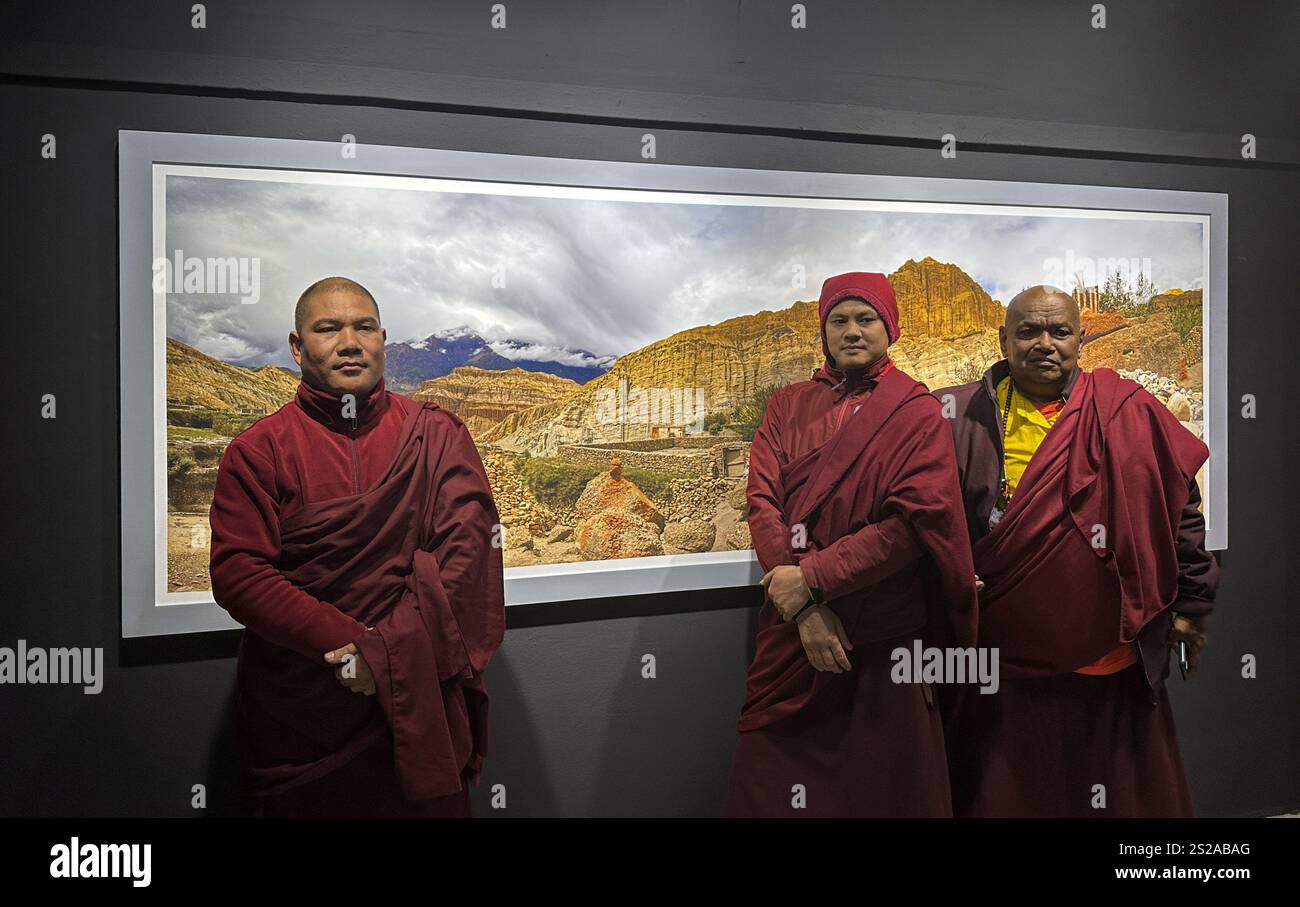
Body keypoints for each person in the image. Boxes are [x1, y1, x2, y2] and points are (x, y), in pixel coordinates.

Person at [209, 276, 505, 817]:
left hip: (416, 703)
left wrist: (386, 655)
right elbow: (240, 574)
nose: (350, 341)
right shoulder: (258, 450)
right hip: (304, 712)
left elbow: (468, 562)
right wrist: (359, 647)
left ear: (382, 338)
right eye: (328, 328)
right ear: (297, 347)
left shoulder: (436, 435)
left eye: (364, 326)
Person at [933, 284, 1219, 817]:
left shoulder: (1124, 408)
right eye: (1028, 331)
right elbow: (924, 515)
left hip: (1110, 650)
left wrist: (1194, 605)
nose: (1045, 343)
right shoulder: (959, 417)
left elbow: (1181, 506)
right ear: (1003, 339)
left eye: (1059, 331)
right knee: (1017, 788)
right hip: (1006, 654)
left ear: (1081, 339)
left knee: (1118, 791)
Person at [724, 271, 978, 817]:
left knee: (886, 789)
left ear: (891, 327)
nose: (852, 331)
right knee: (771, 788)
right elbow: (762, 505)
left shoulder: (917, 412)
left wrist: (811, 580)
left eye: (866, 319)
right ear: (824, 331)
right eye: (839, 320)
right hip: (794, 634)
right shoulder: (786, 407)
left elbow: (913, 526)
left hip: (884, 634)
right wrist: (807, 610)